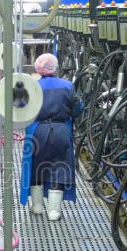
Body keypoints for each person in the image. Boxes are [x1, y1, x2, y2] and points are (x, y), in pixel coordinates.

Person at [20, 53, 84, 221]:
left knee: (36, 167)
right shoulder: (67, 85)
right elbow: (78, 108)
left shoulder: (33, 86)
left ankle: (37, 206)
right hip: (61, 130)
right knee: (59, 167)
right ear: (55, 67)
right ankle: (54, 211)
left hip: (37, 131)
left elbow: (22, 108)